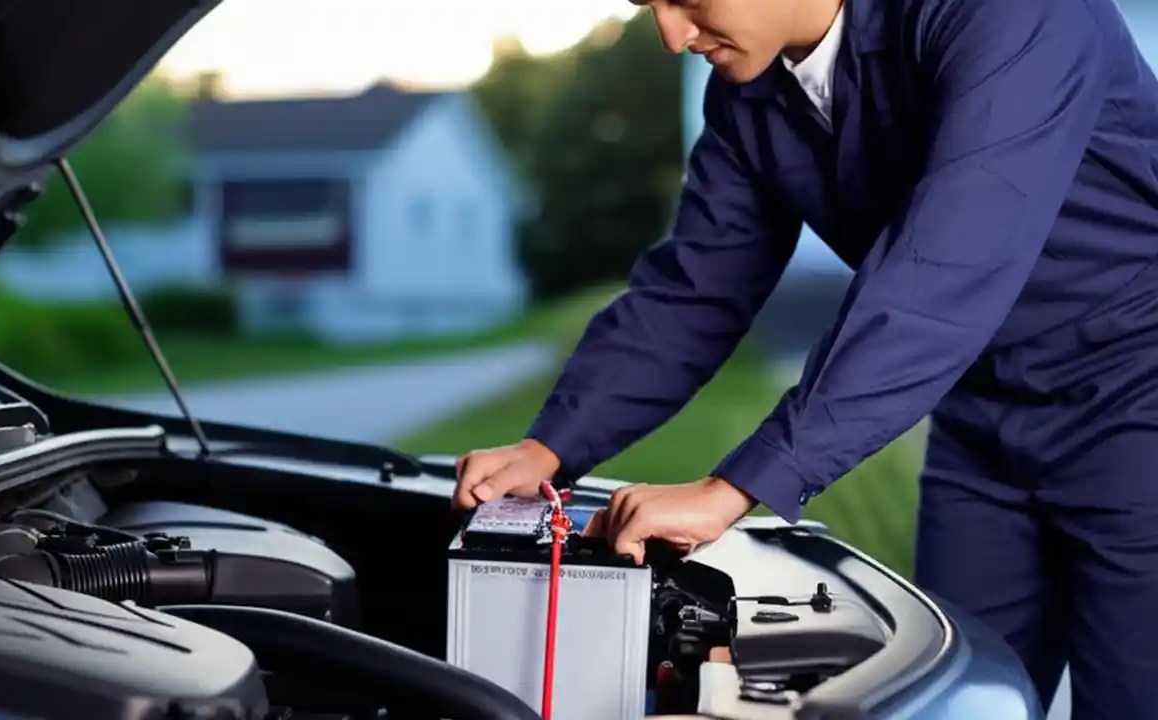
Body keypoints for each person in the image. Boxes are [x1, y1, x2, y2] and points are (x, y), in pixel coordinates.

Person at [453, 0, 1158, 716]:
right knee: (955, 696)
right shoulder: (747, 93)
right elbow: (696, 290)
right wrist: (549, 447)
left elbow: (943, 274)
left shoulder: (1014, 16)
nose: (671, 35)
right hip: (978, 419)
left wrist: (733, 489)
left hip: (1138, 395)